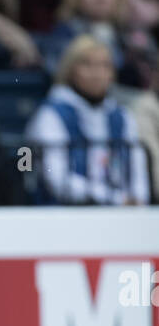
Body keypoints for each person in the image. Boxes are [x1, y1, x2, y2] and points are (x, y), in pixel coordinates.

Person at [25, 35, 150, 205]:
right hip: (63, 216)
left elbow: (138, 172)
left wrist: (138, 200)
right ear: (70, 69)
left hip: (121, 215)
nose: (97, 73)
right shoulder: (51, 114)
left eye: (105, 66)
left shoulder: (122, 116)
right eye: (87, 65)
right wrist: (116, 199)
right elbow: (56, 178)